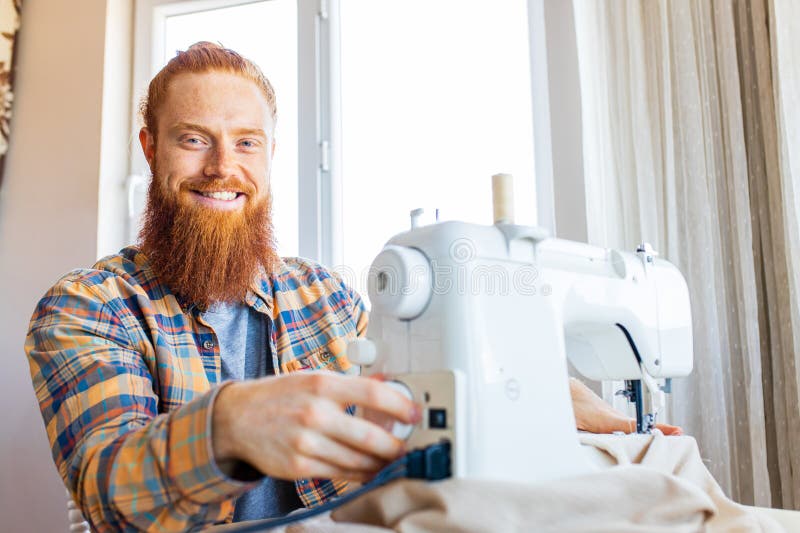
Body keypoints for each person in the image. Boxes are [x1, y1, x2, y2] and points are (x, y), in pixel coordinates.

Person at [25, 42, 680, 532]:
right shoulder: (88, 306)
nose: (223, 167)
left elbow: (443, 373)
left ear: (270, 155)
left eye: (246, 143)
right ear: (150, 148)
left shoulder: (326, 296)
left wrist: (549, 389)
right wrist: (226, 427)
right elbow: (106, 489)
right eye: (194, 140)